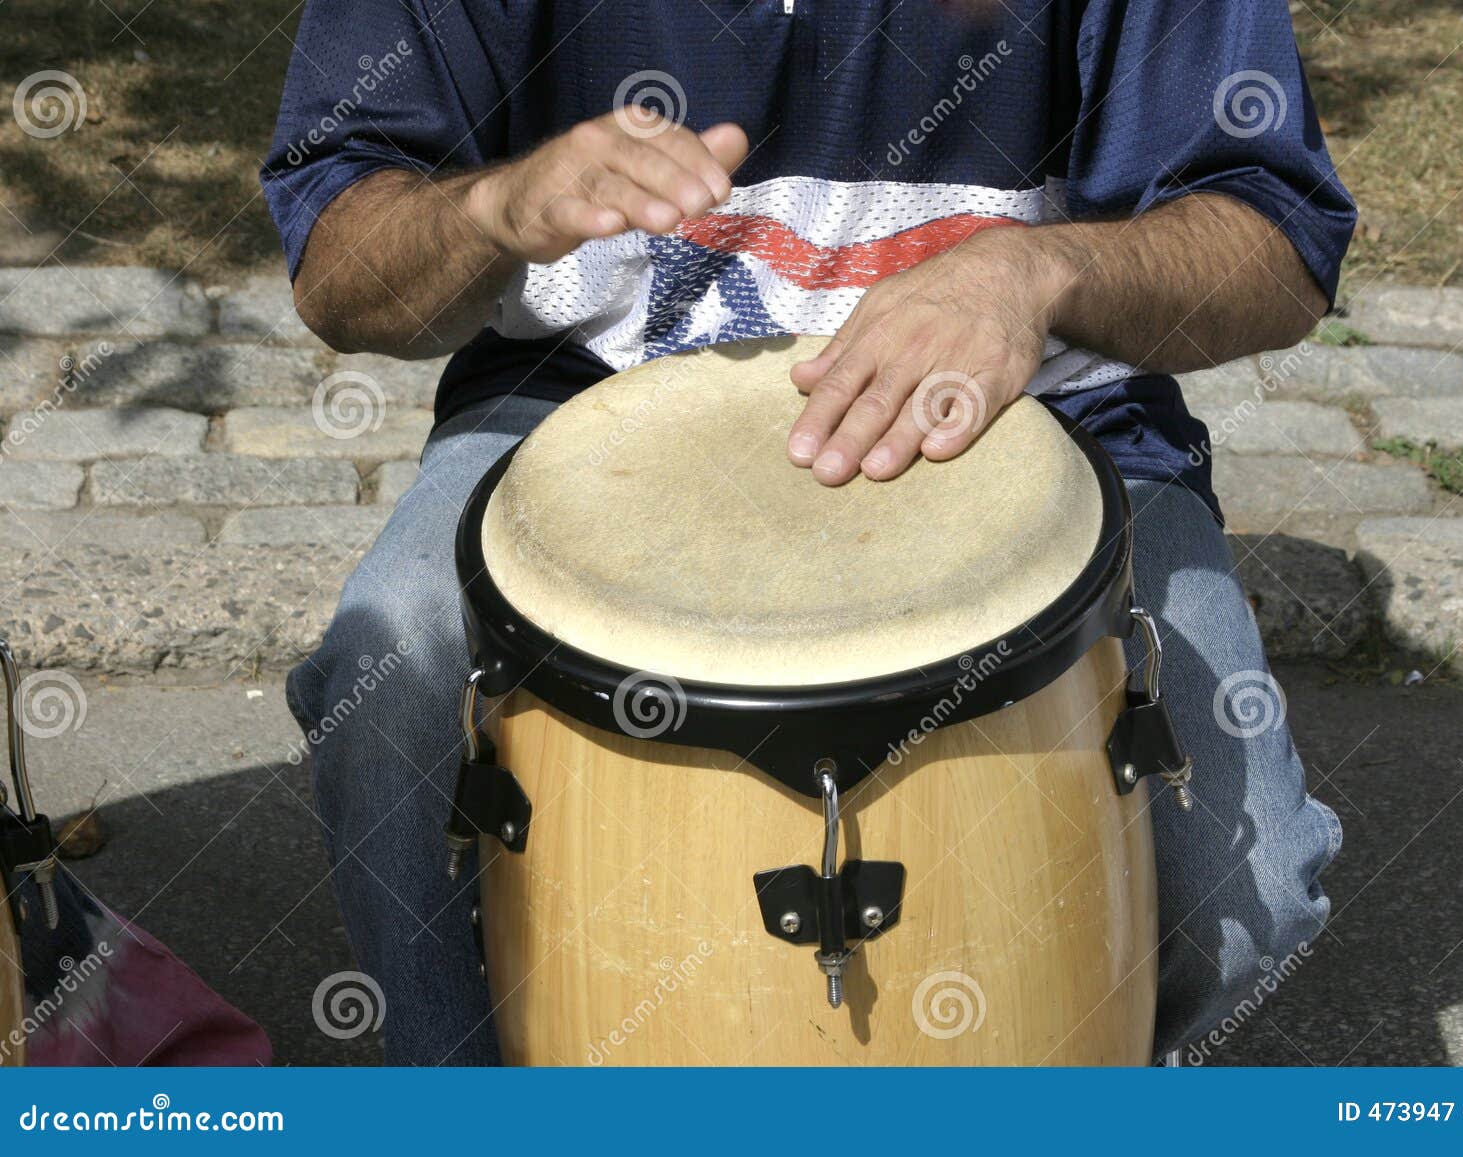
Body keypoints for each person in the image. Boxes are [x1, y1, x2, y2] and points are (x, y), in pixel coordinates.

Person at [263, 0, 1353, 1065]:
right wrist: (492, 210)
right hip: (581, 401)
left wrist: (1038, 272)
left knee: (1240, 893)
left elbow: (1275, 242)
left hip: (1047, 413)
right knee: (390, 662)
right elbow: (340, 275)